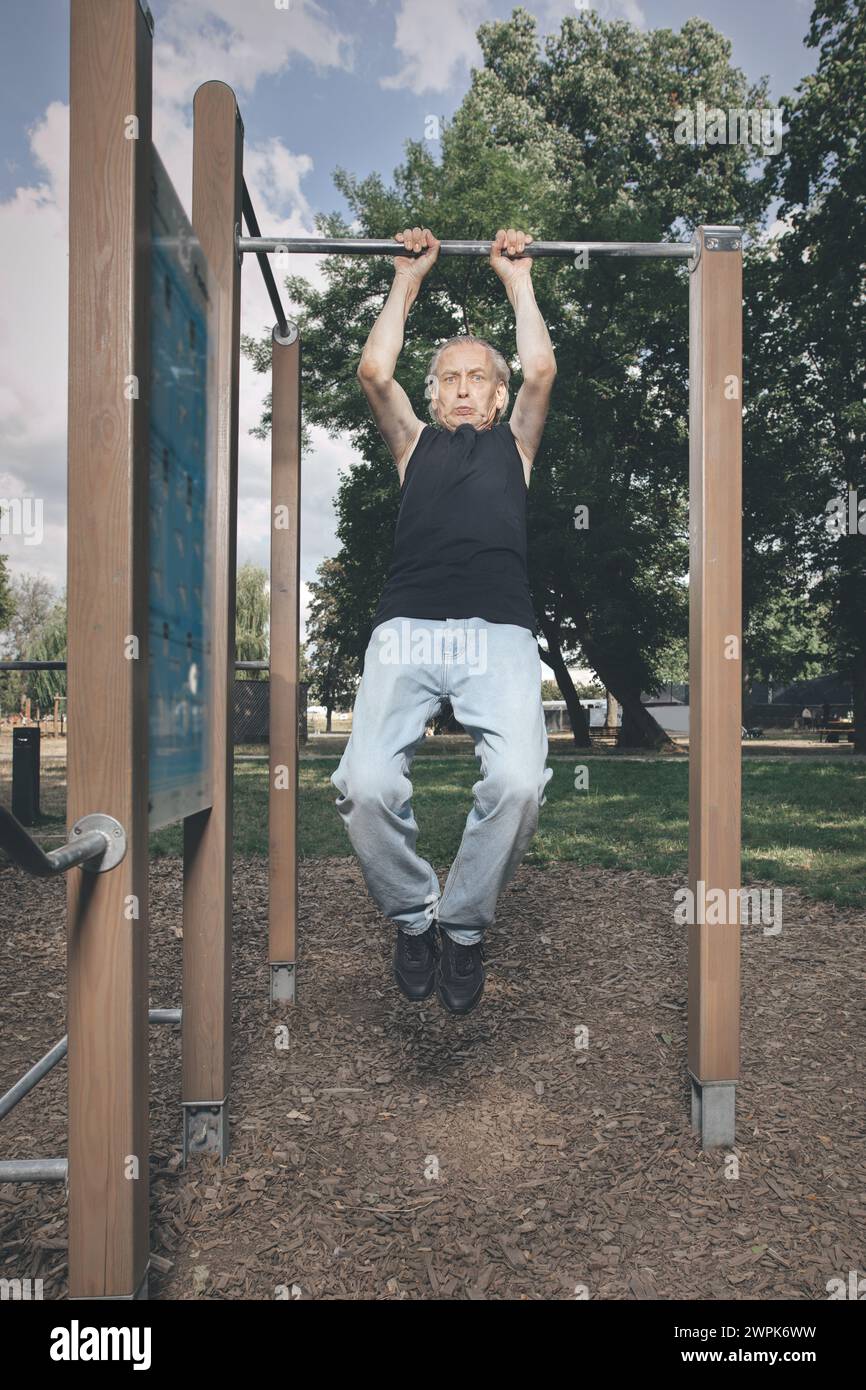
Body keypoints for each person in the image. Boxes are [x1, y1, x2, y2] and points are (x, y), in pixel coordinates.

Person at [330, 226, 556, 1015]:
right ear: (434, 396)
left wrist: (516, 280)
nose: (464, 387)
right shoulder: (413, 444)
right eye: (450, 377)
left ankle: (462, 927)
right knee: (362, 784)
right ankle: (414, 918)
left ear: (498, 398)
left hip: (498, 630)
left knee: (521, 782)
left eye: (478, 378)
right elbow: (372, 369)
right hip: (409, 626)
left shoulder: (515, 447)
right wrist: (406, 279)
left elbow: (543, 367)